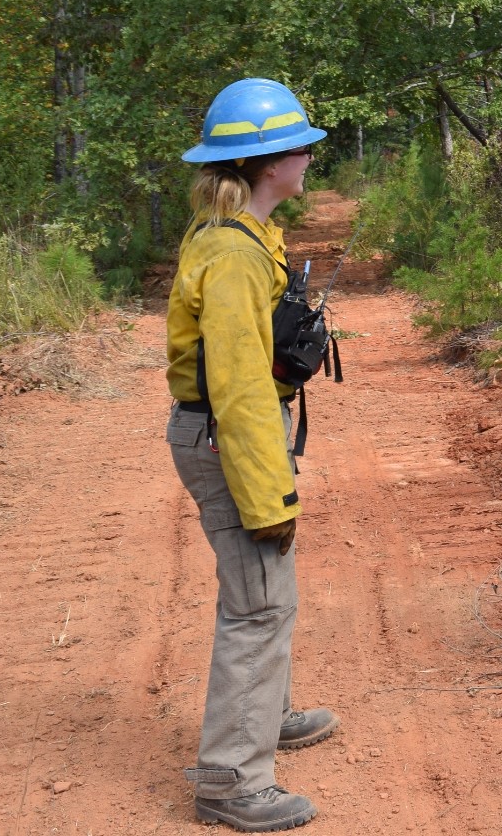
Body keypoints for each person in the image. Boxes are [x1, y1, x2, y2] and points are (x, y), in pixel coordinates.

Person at [165, 77, 338, 832]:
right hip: (227, 433)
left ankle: (264, 714)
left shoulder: (243, 233)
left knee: (264, 589)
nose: (309, 158)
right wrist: (269, 498)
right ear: (271, 163)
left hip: (228, 427)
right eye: (301, 148)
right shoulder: (234, 253)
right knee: (261, 601)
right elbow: (236, 389)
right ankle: (231, 780)